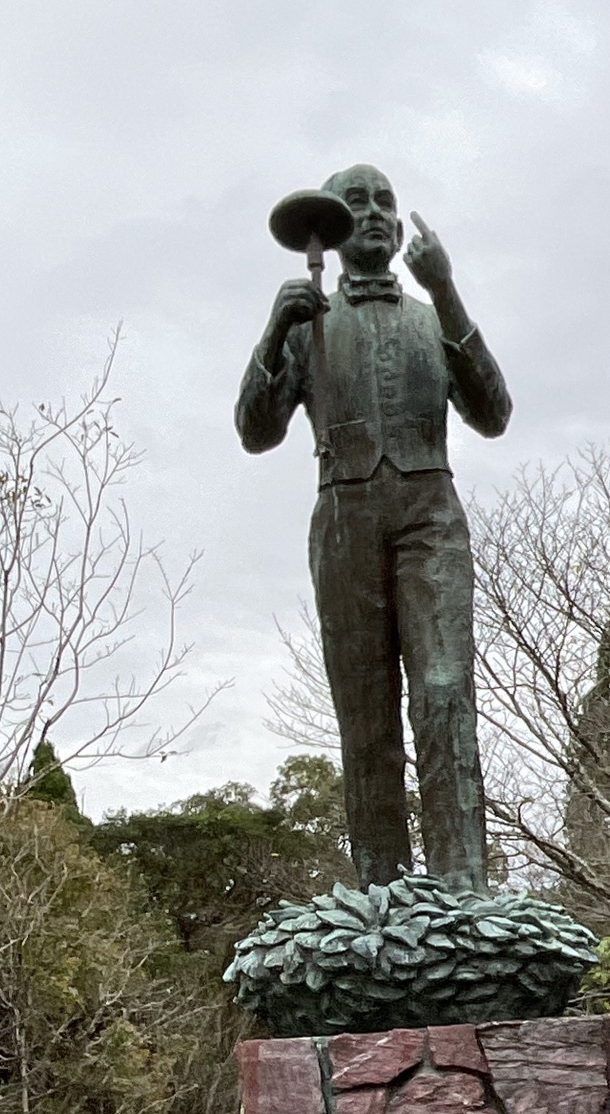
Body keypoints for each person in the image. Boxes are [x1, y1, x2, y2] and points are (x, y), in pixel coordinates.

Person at [236, 163, 511, 893]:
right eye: (355, 202)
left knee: (444, 689)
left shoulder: (431, 317)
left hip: (429, 513)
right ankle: (382, 890)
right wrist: (275, 330)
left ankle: (461, 886)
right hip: (343, 516)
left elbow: (493, 413)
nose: (375, 213)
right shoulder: (310, 324)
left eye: (385, 201)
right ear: (331, 224)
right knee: (365, 715)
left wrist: (446, 290)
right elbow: (256, 432)